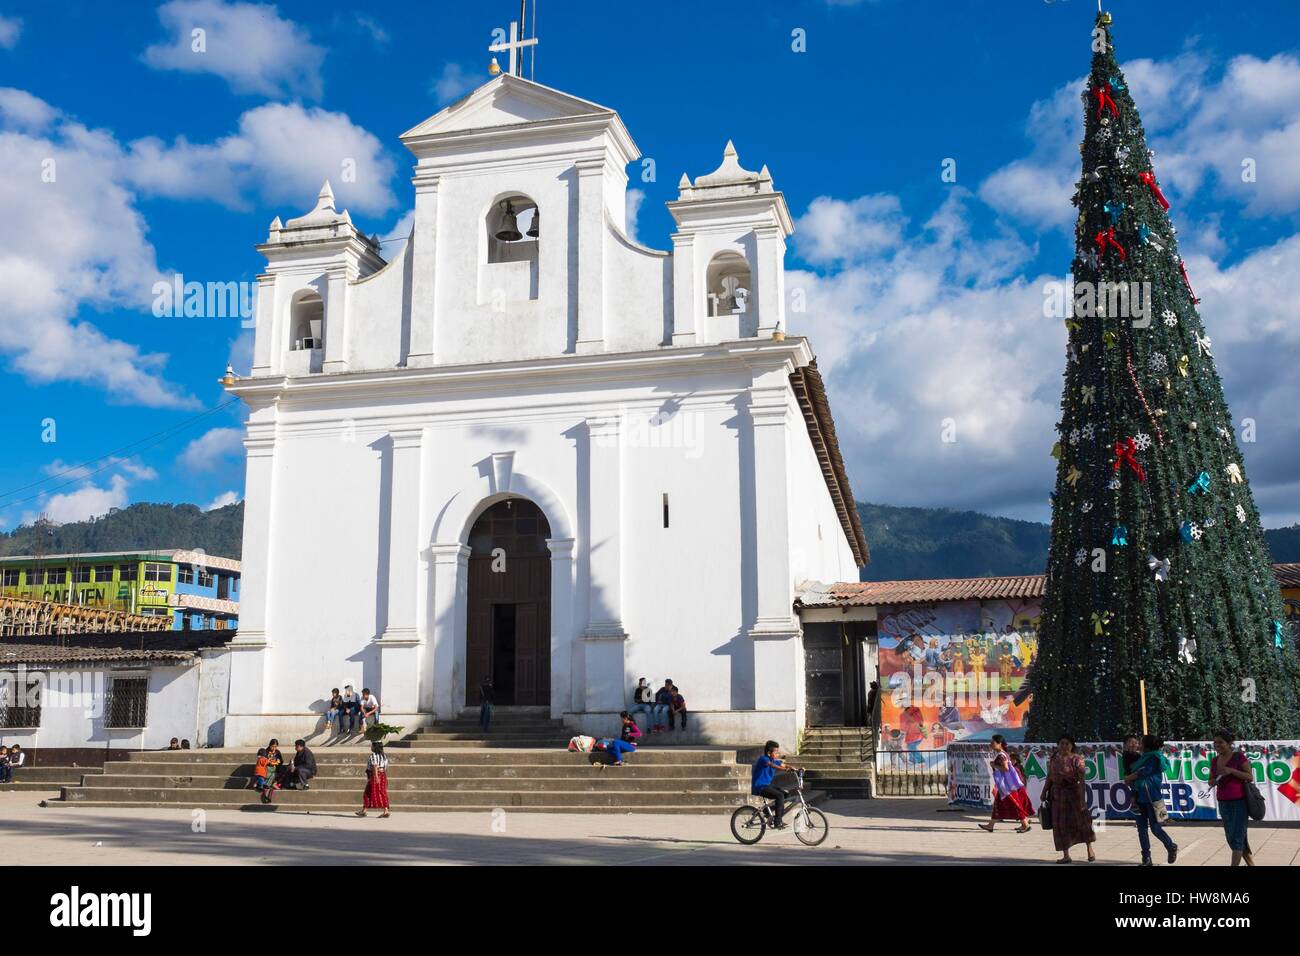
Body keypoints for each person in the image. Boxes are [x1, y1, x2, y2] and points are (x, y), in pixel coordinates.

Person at [1122, 734, 1177, 866]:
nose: (1138, 745)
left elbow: (1143, 772)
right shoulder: (1142, 758)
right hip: (1138, 797)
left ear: (1147, 746)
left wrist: (1129, 778)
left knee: (1156, 828)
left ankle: (1171, 846)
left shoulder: (1155, 757)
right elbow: (1132, 771)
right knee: (1141, 829)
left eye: (1140, 743)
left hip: (1154, 799)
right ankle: (1146, 858)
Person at [1044, 735, 1096, 863]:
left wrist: (1082, 798)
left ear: (1072, 745)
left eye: (1067, 743)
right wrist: (1044, 790)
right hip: (1057, 794)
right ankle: (1066, 855)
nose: (1064, 746)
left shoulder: (1077, 759)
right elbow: (1050, 775)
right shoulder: (1054, 758)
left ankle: (1090, 849)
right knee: (1060, 825)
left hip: (1074, 793)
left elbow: (1082, 780)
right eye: (1061, 743)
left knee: (1082, 821)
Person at [1209, 730, 1255, 866]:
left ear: (1229, 743)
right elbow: (1210, 780)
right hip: (1223, 802)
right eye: (1215, 742)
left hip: (1239, 801)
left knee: (1237, 838)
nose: (1217, 745)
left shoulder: (1238, 757)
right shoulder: (1214, 760)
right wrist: (1213, 781)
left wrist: (1232, 771)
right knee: (1232, 837)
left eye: (1220, 742)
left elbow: (1249, 777)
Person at [979, 734, 1033, 833]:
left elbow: (1006, 768)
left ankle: (1025, 824)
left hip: (1007, 787)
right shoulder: (1003, 754)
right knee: (998, 805)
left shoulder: (1001, 755)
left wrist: (993, 765)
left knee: (1013, 804)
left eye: (993, 742)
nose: (991, 744)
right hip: (1004, 786)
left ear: (999, 744)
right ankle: (991, 825)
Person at [751, 740, 801, 829]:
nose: (778, 754)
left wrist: (795, 769)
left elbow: (784, 764)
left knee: (785, 794)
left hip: (767, 785)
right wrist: (784, 769)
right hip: (759, 786)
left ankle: (767, 811)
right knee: (780, 796)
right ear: (769, 753)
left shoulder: (774, 760)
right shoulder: (764, 759)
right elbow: (771, 765)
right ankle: (777, 822)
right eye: (776, 752)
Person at [357, 740, 390, 817]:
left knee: (377, 793)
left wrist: (376, 777)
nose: (371, 747)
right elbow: (385, 767)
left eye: (372, 746)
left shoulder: (374, 755)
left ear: (375, 747)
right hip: (382, 774)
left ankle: (385, 810)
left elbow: (375, 766)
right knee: (372, 792)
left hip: (376, 775)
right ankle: (364, 810)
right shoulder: (384, 756)